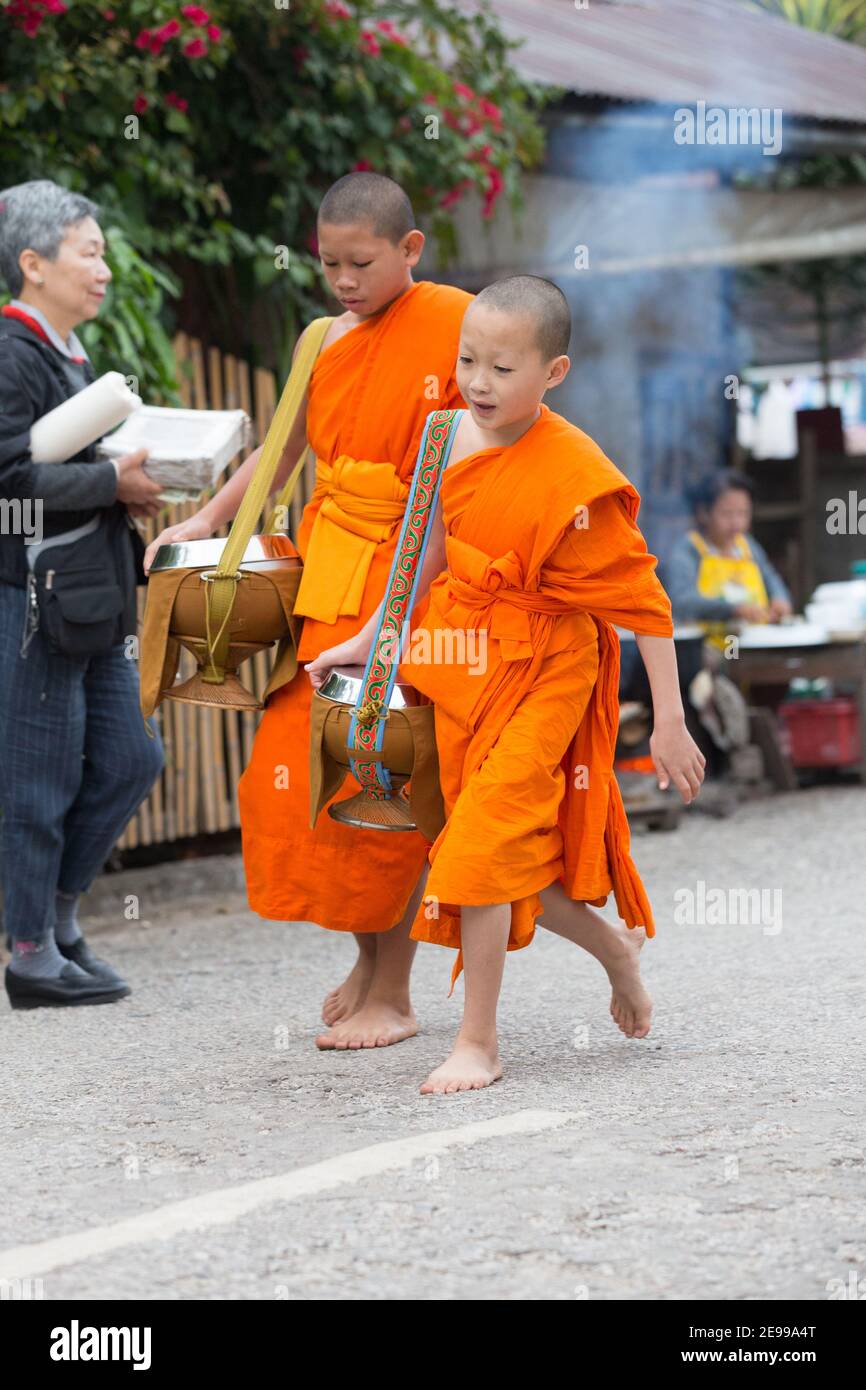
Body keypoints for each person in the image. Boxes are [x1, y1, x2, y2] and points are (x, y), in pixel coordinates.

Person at [307, 276, 705, 1093]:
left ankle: (478, 1042)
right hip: (460, 658)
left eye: (502, 368)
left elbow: (646, 604)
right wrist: (370, 639)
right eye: (466, 361)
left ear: (553, 373)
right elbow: (422, 561)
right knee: (488, 855)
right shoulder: (446, 433)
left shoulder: (573, 468)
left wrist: (669, 720)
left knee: (481, 845)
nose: (478, 383)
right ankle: (612, 950)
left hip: (551, 666)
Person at [145, 172, 473, 1048]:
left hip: (414, 574)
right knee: (300, 777)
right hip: (331, 582)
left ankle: (394, 990)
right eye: (329, 264)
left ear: (411, 249)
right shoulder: (323, 338)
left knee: (382, 772)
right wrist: (211, 519)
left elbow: (492, 444)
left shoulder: (460, 325)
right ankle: (368, 964)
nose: (343, 282)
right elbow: (285, 442)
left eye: (360, 263)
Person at [0, 179, 165, 1009]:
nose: (103, 270)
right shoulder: (8, 350)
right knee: (37, 776)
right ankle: (29, 953)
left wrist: (129, 483)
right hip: (30, 602)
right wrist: (110, 482)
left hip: (89, 598)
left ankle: (60, 924)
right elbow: (6, 485)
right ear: (33, 264)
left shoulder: (71, 356)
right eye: (88, 253)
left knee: (135, 757)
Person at [666, 470, 793, 650]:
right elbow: (682, 601)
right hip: (706, 651)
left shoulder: (748, 546)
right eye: (727, 514)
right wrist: (733, 610)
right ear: (704, 513)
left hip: (753, 646)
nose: (736, 523)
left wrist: (780, 600)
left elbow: (770, 578)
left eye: (743, 513)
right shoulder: (688, 550)